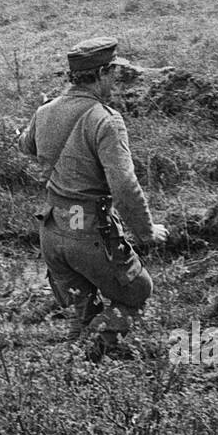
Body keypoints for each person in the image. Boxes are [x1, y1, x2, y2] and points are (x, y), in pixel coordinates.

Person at [18, 37, 168, 361]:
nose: (115, 78)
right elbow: (124, 185)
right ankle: (80, 363)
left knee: (83, 312)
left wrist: (39, 122)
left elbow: (25, 145)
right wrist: (146, 231)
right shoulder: (106, 120)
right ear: (101, 73)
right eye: (113, 71)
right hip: (87, 232)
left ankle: (75, 382)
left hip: (53, 230)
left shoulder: (44, 112)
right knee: (137, 291)